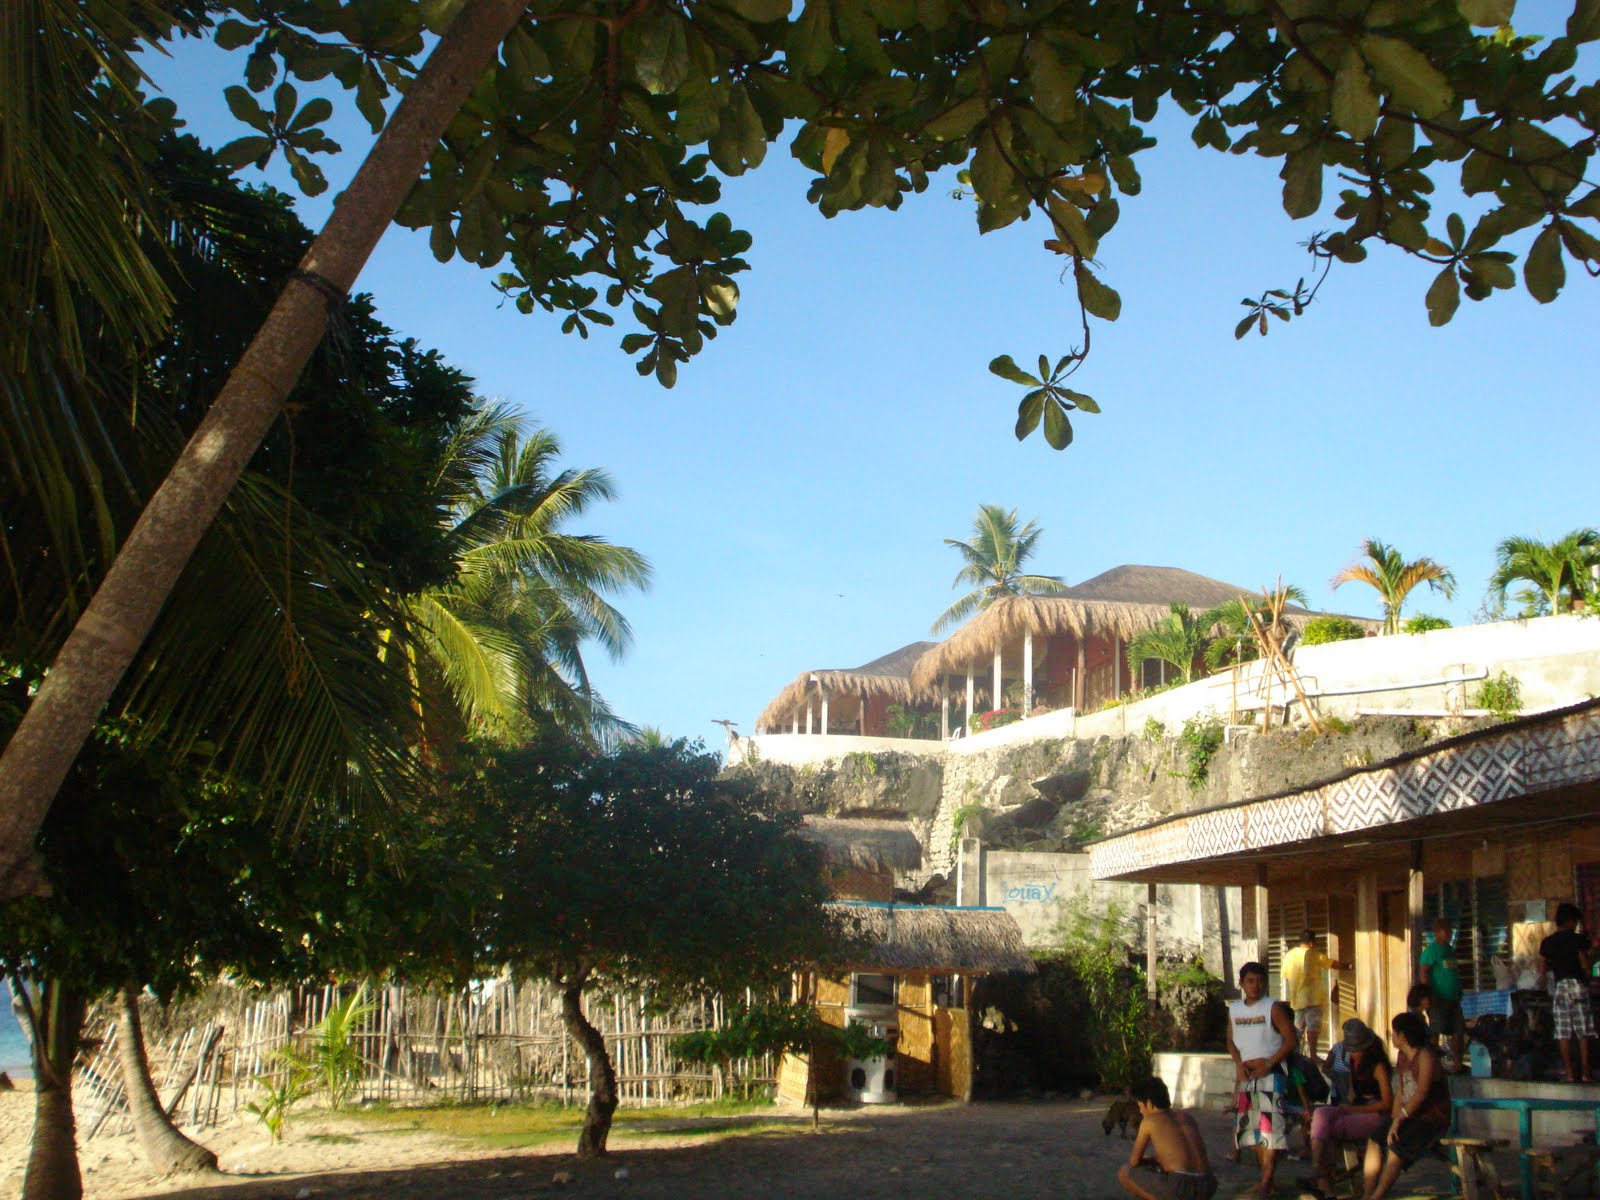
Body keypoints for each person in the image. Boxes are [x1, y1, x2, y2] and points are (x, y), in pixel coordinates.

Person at [1361, 1011, 1451, 1200]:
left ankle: (1377, 1196)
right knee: (1375, 1139)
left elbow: (1422, 1093)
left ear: (1402, 1035)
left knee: (1396, 1146)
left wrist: (1399, 1120)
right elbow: (1401, 1091)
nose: (1391, 1036)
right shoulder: (1402, 1057)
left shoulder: (1425, 1055)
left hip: (1430, 1118)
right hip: (1407, 1116)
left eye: (1394, 1032)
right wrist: (1394, 1119)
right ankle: (1367, 1194)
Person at [1228, 961, 1299, 1197]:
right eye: (1250, 981)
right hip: (1247, 1076)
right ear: (1242, 983)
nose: (1255, 985)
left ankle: (1266, 1182)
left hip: (1271, 1075)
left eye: (1260, 981)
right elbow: (1231, 1040)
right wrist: (1238, 1066)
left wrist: (1269, 1063)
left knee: (1271, 1131)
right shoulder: (1234, 1009)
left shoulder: (1273, 1007)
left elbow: (1290, 1040)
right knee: (1254, 1132)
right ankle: (1266, 1181)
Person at [1305, 1019, 1394, 1198]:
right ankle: (1317, 1169)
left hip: (1373, 1113)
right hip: (1353, 1107)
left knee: (1329, 1128)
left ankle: (1324, 1184)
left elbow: (1386, 1103)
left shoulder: (1378, 1067)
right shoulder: (1352, 1064)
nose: (1352, 1053)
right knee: (1321, 1114)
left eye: (1355, 1050)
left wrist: (1353, 1110)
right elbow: (1352, 1094)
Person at [1117, 1075, 1218, 1200]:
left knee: (1125, 1172)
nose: (1141, 1111)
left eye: (1140, 1106)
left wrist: (1149, 1161)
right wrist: (1158, 1159)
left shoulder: (1150, 1121)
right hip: (1208, 1184)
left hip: (1180, 1185)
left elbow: (1134, 1161)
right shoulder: (1187, 1117)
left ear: (1148, 1103)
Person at [1538, 902, 1594, 1083]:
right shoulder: (1578, 940)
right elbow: (1585, 965)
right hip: (1578, 987)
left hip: (1560, 988)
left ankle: (1569, 1073)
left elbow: (1542, 969)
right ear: (1570, 921)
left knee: (1563, 1032)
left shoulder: (1548, 942)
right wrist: (1588, 973)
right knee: (1583, 1031)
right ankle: (1585, 1073)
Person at [1282, 929, 1350, 1058]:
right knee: (1313, 1029)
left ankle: (1295, 1054)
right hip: (1314, 998)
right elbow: (1332, 964)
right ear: (1312, 943)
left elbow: (1285, 975)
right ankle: (1313, 1055)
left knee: (1297, 1030)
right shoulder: (1313, 954)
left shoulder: (1289, 955)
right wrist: (1346, 966)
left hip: (1297, 1000)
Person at [1418, 919, 1465, 1068]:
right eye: (1446, 931)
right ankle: (1434, 1065)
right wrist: (1428, 995)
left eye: (1450, 931)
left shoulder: (1450, 950)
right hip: (1438, 999)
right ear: (1437, 933)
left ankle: (1458, 1063)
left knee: (1458, 1030)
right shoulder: (1431, 951)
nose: (1449, 934)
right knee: (1436, 1031)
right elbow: (1424, 973)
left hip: (1454, 998)